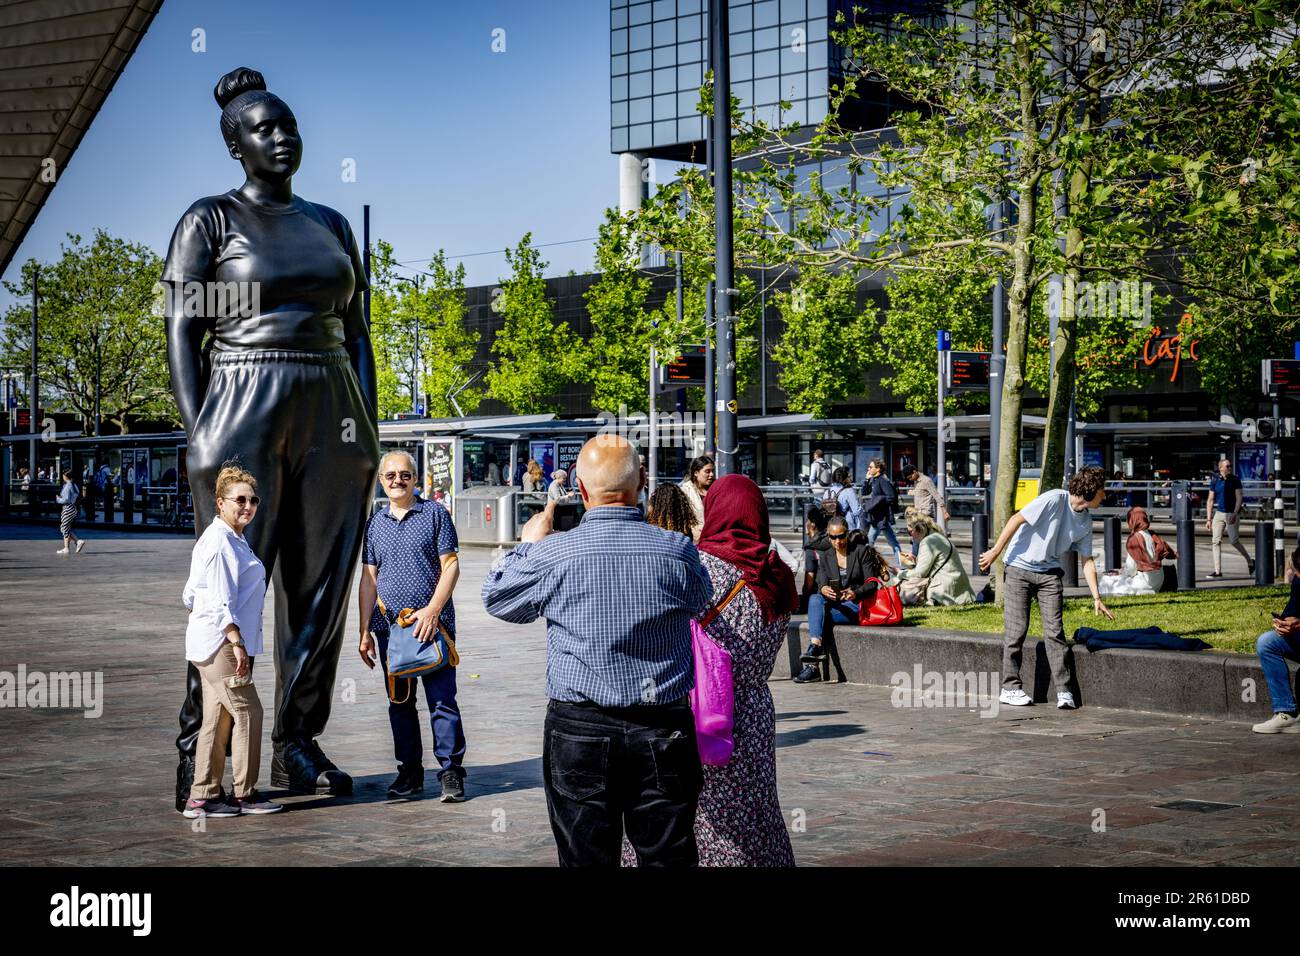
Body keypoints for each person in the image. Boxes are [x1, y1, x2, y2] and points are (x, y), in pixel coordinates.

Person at [163, 67, 380, 809]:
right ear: (236, 144)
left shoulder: (331, 224)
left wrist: (368, 432)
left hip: (331, 406)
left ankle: (295, 738)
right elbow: (184, 329)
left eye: (289, 124)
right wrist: (199, 433)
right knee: (229, 590)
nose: (282, 137)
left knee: (318, 589)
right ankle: (205, 745)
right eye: (264, 128)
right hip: (242, 397)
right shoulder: (211, 221)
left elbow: (358, 336)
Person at [482, 435, 712, 867]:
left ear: (582, 491)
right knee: (669, 856)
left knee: (585, 858)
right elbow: (702, 602)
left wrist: (529, 543)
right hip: (662, 725)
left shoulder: (553, 553)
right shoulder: (677, 550)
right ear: (642, 481)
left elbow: (498, 599)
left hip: (579, 728)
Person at [622, 474, 798, 866]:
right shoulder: (779, 575)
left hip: (694, 707)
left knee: (687, 811)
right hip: (751, 714)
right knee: (754, 816)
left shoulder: (699, 565)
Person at [357, 451, 467, 802]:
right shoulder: (375, 524)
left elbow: (450, 565)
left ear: (416, 478)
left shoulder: (435, 513)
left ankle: (450, 772)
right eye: (390, 475)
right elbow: (368, 580)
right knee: (399, 703)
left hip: (433, 628)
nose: (397, 480)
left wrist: (433, 611)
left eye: (404, 474)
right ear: (381, 480)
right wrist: (363, 631)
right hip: (391, 630)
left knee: (442, 701)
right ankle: (410, 773)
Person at [181, 462, 282, 818]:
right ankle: (245, 793)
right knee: (249, 710)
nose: (248, 506)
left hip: (210, 643)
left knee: (218, 718)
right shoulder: (221, 542)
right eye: (239, 499)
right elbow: (220, 600)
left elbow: (190, 595)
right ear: (220, 502)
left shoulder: (229, 538)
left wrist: (205, 622)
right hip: (222, 645)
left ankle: (203, 796)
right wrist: (235, 641)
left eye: (253, 500)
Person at [979, 466, 1115, 710]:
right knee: (1016, 630)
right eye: (1102, 491)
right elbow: (1016, 518)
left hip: (1049, 575)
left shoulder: (1085, 521)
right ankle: (1010, 688)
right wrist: (995, 552)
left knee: (1055, 632)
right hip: (1019, 568)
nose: (1104, 496)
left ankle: (1064, 692)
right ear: (1091, 491)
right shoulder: (1054, 499)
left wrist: (1096, 597)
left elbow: (1087, 561)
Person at [794, 516, 886, 684]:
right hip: (835, 604)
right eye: (833, 537)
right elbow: (821, 582)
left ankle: (813, 665)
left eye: (841, 536)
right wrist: (823, 589)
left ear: (847, 534)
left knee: (819, 617)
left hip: (856, 605)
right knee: (815, 598)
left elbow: (872, 583)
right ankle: (815, 647)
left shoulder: (860, 551)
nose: (838, 541)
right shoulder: (826, 555)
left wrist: (855, 592)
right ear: (828, 537)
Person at [1252, 548, 1300, 733]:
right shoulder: (1298, 580)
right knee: (1267, 642)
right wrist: (1284, 623)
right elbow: (1293, 612)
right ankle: (1287, 712)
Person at [891, 510, 975, 605]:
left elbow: (920, 573)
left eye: (910, 532)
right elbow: (935, 565)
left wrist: (900, 573)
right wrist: (915, 560)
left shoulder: (928, 542)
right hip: (958, 588)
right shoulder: (936, 536)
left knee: (896, 581)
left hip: (945, 591)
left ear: (919, 529)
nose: (911, 536)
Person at [1099, 506, 1176, 597]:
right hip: (1158, 580)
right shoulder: (1151, 534)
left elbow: (1131, 569)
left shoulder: (1134, 538)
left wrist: (1119, 573)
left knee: (1106, 580)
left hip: (1145, 581)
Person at [1206, 458, 1254, 579]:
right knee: (1215, 542)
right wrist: (1208, 519)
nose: (1229, 468)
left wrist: (1235, 513)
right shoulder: (1215, 479)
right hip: (1219, 514)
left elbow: (1239, 497)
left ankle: (1250, 561)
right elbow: (1210, 500)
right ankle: (1217, 571)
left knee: (1233, 540)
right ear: (1220, 468)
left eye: (1230, 466)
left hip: (1232, 513)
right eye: (1227, 466)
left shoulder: (1235, 479)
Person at [861, 458, 902, 567]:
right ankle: (900, 564)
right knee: (891, 542)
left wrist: (878, 500)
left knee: (871, 542)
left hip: (881, 517)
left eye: (871, 467)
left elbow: (891, 497)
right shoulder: (873, 480)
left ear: (878, 469)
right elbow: (864, 492)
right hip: (876, 517)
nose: (868, 469)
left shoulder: (883, 481)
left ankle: (865, 563)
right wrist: (866, 480)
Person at [800, 507, 831, 611]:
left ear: (812, 524)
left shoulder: (811, 549)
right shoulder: (829, 540)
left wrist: (804, 602)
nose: (806, 523)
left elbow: (809, 582)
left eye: (807, 520)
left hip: (818, 594)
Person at [680, 454, 715, 540]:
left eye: (713, 471)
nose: (711, 475)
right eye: (707, 471)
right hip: (694, 540)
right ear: (696, 473)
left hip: (714, 538)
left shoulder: (717, 489)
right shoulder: (685, 491)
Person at [54, 470, 86, 556]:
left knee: (64, 528)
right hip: (72, 507)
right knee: (66, 528)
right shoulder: (74, 485)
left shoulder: (68, 486)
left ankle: (77, 541)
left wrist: (58, 499)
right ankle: (67, 548)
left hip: (67, 507)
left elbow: (66, 499)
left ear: (65, 476)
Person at [830, 466, 863, 531]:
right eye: (849, 476)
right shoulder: (849, 491)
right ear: (844, 478)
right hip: (847, 526)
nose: (851, 479)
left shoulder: (829, 491)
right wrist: (862, 507)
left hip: (832, 525)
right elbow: (856, 511)